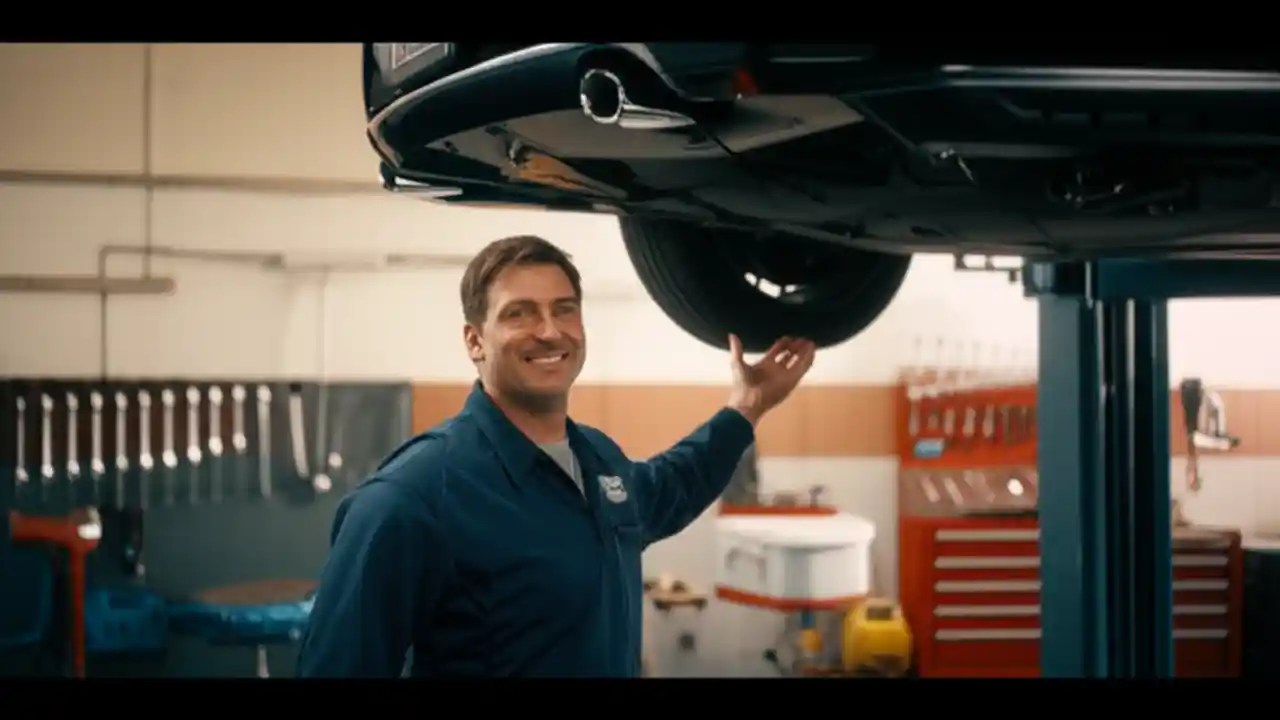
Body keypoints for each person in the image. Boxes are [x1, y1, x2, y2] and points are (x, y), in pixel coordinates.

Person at [295, 234, 816, 678]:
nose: (549, 330)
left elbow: (670, 487)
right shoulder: (414, 497)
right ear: (475, 341)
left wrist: (747, 407)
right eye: (519, 314)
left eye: (563, 309)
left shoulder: (599, 461)